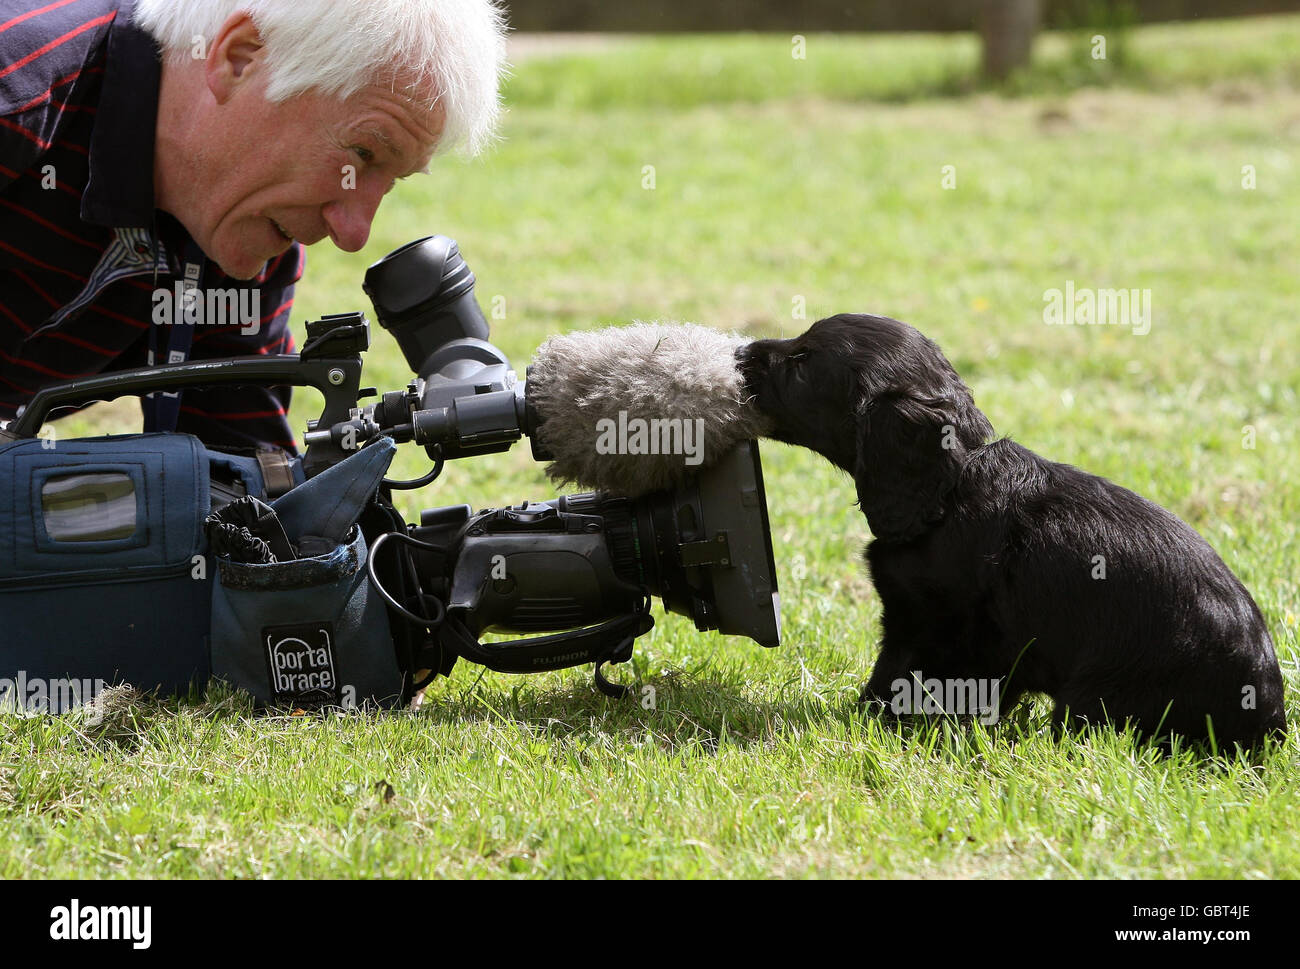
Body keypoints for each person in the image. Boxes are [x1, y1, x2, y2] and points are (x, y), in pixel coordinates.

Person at [0, 0, 506, 452]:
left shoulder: (239, 223)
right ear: (239, 56)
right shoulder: (18, 96)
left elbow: (241, 484)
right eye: (363, 152)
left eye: (389, 180)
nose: (353, 234)